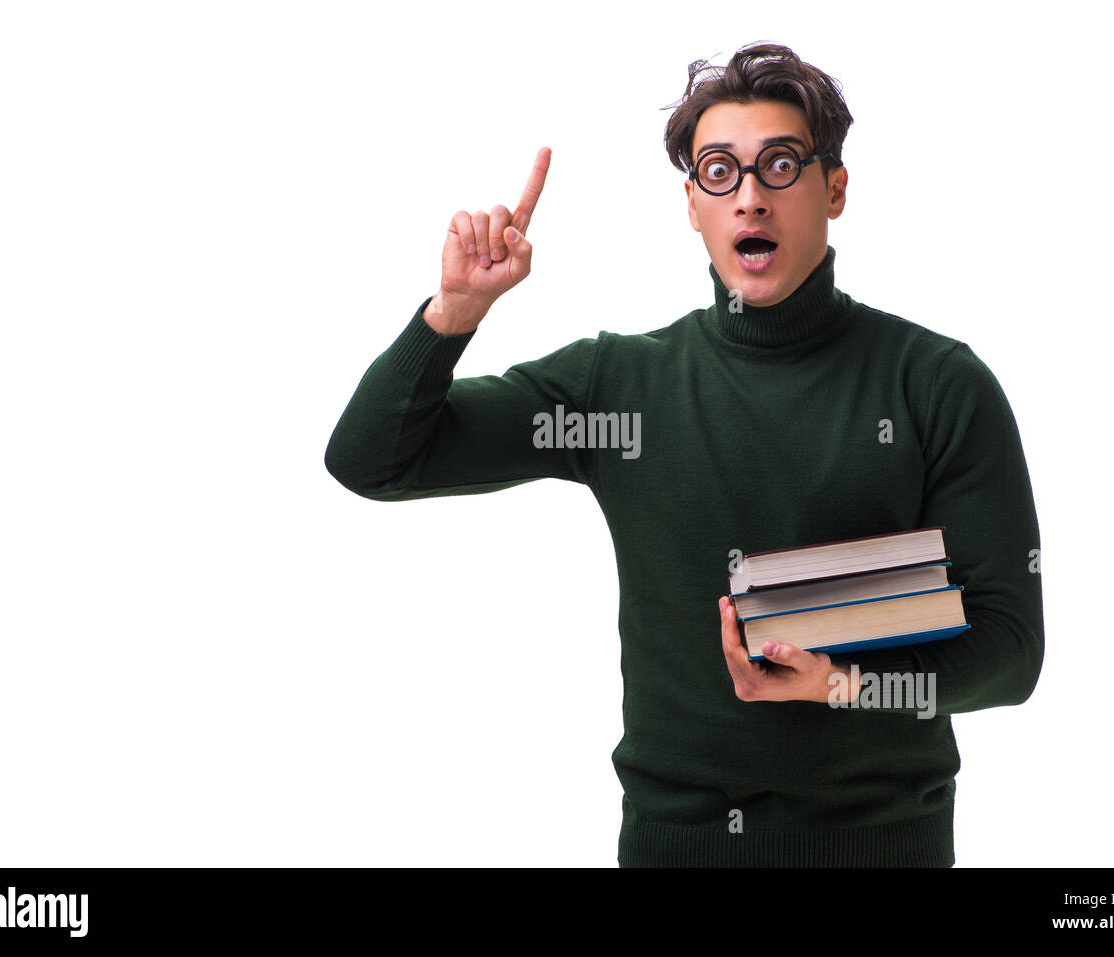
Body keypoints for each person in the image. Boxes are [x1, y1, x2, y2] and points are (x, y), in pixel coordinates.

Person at [324, 42, 1044, 867]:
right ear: (692, 204)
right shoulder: (617, 386)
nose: (749, 198)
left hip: (886, 849)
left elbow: (1009, 654)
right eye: (718, 171)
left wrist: (838, 678)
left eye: (780, 165)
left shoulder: (938, 384)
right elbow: (371, 460)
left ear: (834, 189)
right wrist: (451, 315)